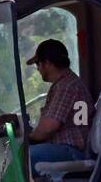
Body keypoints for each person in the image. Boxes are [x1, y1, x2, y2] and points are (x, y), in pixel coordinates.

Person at [24, 38, 96, 172]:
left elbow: (48, 128)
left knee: (20, 158)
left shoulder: (66, 87)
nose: (38, 69)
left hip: (71, 151)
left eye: (37, 65)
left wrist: (27, 139)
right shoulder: (68, 83)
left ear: (47, 63)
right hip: (69, 148)